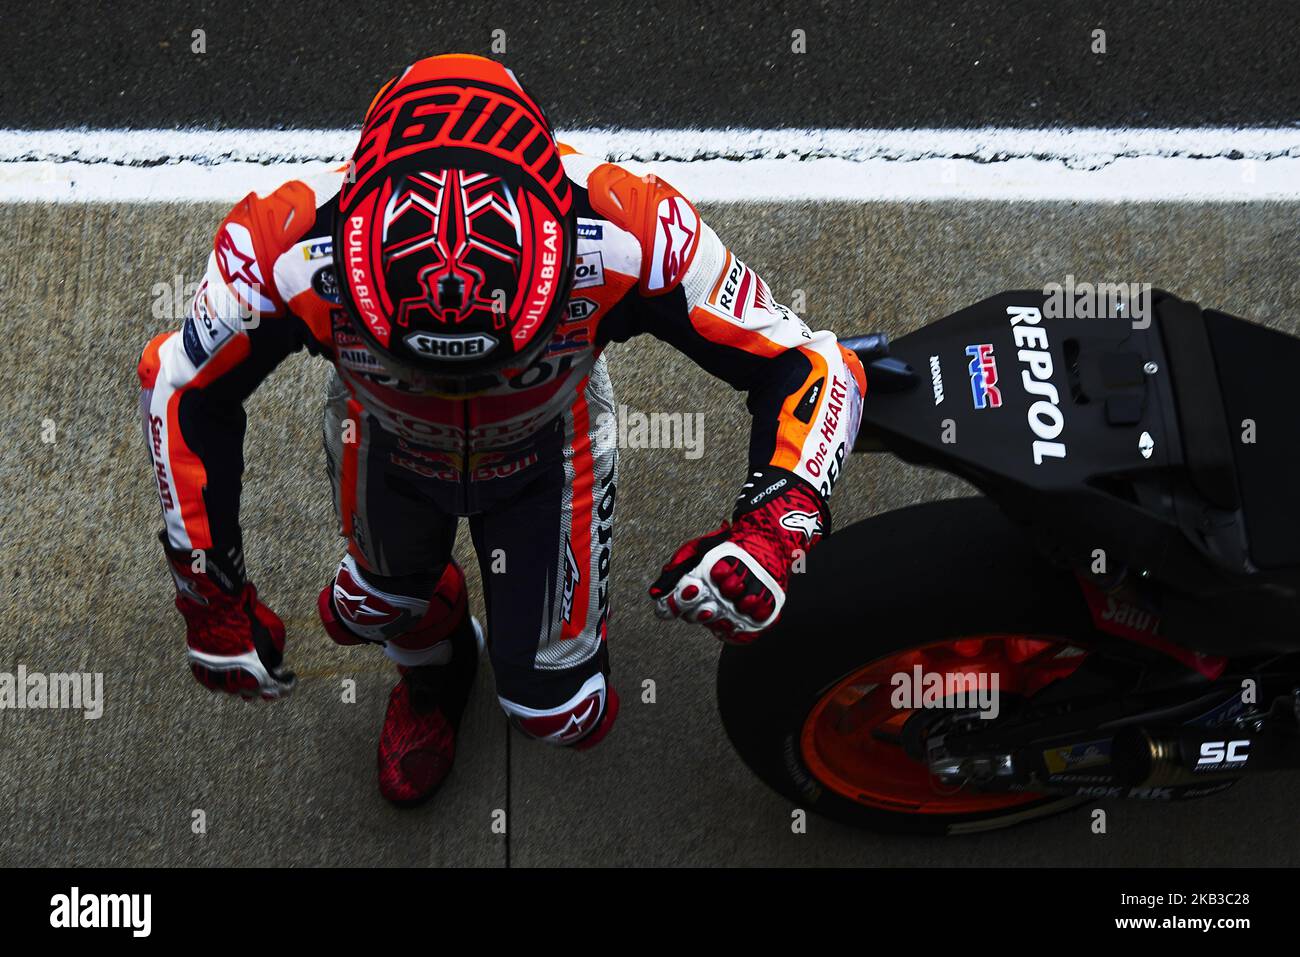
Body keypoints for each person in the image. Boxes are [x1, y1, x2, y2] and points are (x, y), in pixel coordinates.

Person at [137, 53, 866, 805]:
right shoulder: (277, 240)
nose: (459, 385)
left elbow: (810, 360)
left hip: (544, 452)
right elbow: (177, 385)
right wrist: (207, 593)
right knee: (381, 605)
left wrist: (777, 525)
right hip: (387, 446)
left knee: (561, 712)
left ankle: (442, 632)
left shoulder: (631, 223)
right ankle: (435, 671)